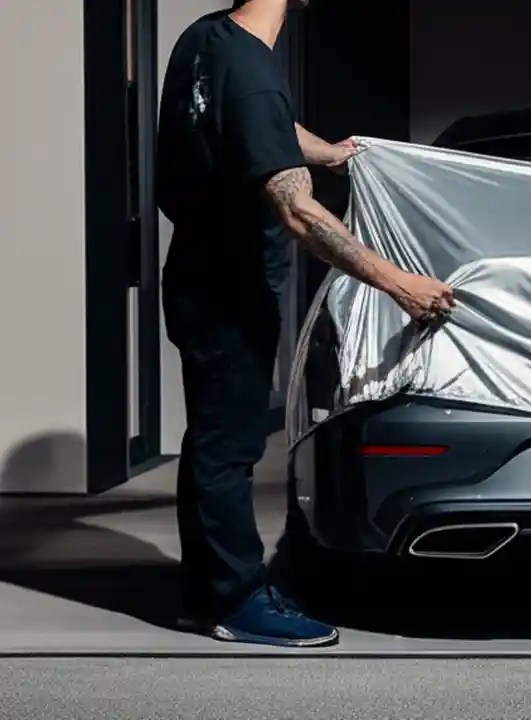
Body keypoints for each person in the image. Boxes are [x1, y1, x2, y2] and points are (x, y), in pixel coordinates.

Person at [156, 0, 454, 647]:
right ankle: (234, 602)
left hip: (196, 275)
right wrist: (398, 282)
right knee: (228, 449)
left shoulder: (207, 40)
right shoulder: (254, 66)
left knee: (212, 442)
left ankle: (204, 592)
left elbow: (263, 126)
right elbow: (297, 213)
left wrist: (331, 152)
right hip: (228, 288)